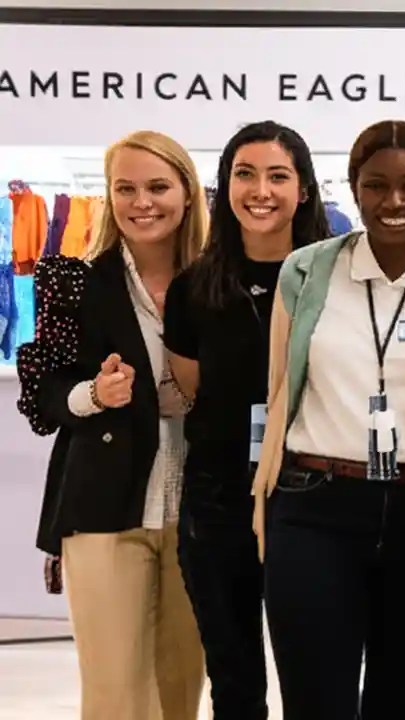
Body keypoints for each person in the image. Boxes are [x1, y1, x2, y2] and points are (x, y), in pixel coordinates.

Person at [249, 119, 405, 720]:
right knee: (315, 699)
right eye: (376, 185)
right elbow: (277, 387)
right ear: (353, 188)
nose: (394, 202)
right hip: (312, 505)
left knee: (399, 698)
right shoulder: (306, 273)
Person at [18, 129, 209, 719]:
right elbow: (42, 392)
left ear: (187, 193)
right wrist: (93, 395)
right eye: (125, 188)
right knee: (113, 693)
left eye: (157, 186)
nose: (141, 202)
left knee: (182, 684)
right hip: (102, 506)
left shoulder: (217, 282)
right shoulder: (73, 281)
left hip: (203, 508)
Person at [163, 120, 330, 720]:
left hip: (313, 501)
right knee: (233, 678)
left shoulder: (331, 283)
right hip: (217, 503)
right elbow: (191, 389)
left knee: (316, 677)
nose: (260, 190)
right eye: (245, 174)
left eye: (278, 176)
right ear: (224, 186)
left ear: (305, 190)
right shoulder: (193, 290)